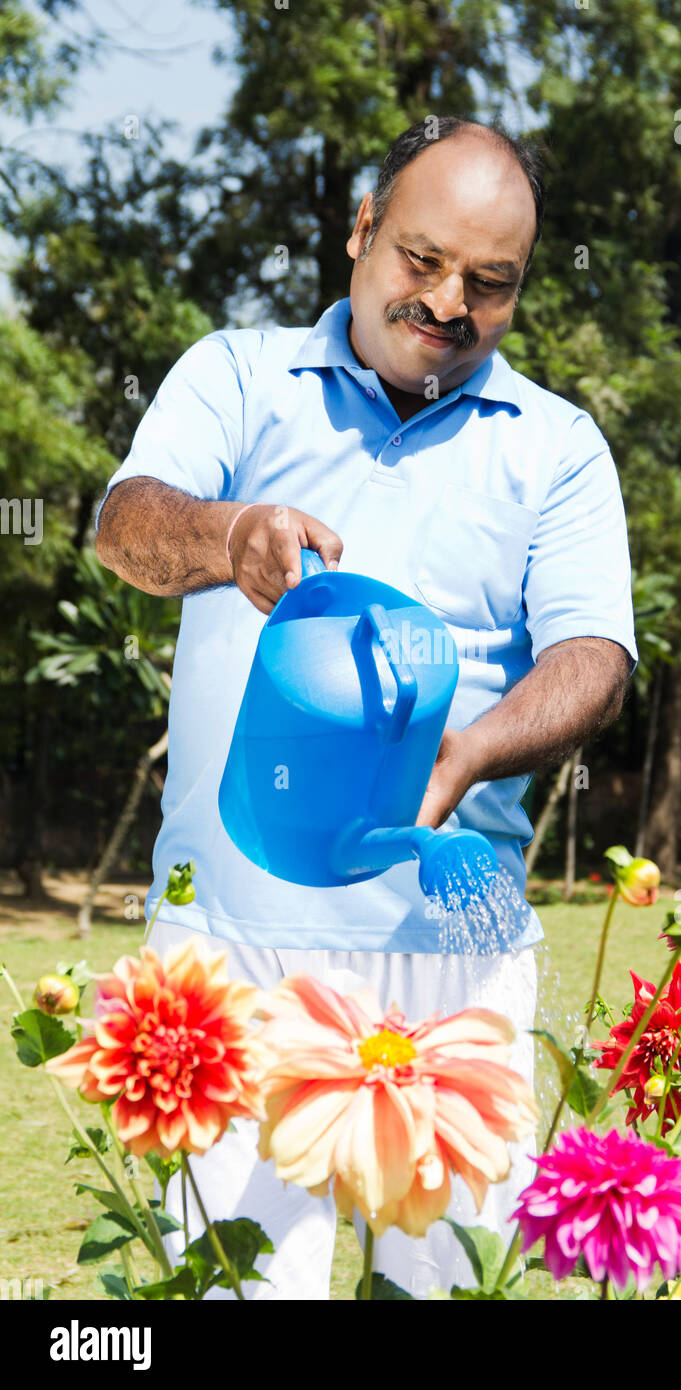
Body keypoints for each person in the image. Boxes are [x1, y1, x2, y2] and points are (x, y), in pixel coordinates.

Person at [94, 117, 638, 1298]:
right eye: (421, 260)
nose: (448, 302)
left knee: (442, 1295)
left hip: (458, 953)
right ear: (359, 232)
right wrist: (229, 532)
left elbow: (594, 653)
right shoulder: (237, 377)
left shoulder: (558, 447)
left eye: (488, 285)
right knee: (233, 1293)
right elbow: (124, 525)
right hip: (231, 945)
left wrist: (472, 750)